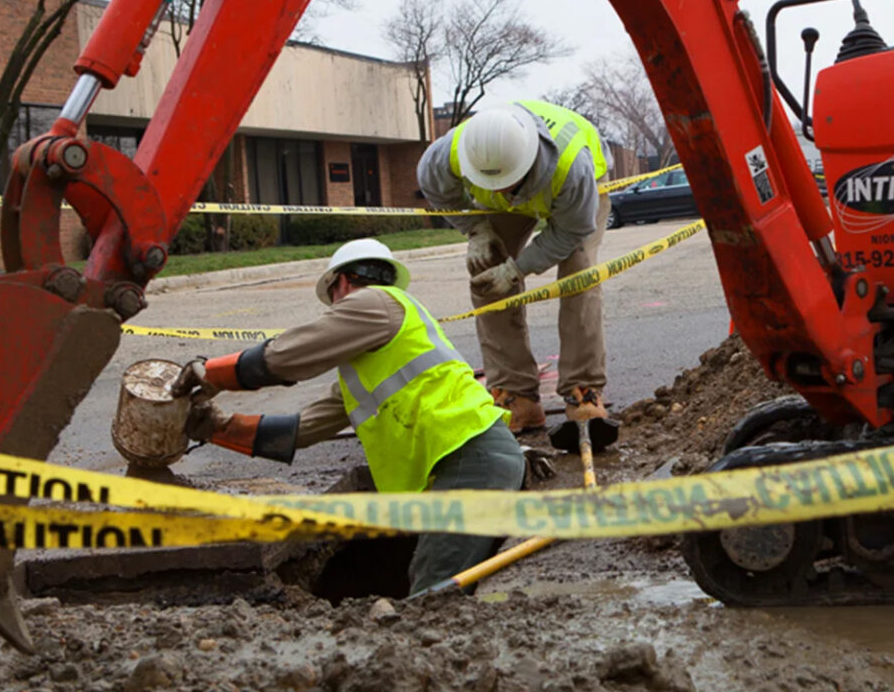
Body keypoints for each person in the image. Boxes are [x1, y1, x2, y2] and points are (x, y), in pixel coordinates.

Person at [172, 238, 525, 593]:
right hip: (476, 461)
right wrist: (216, 430)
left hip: (471, 458)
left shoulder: (374, 302)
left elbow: (289, 356)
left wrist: (210, 373)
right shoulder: (372, 362)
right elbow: (302, 430)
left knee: (432, 589)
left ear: (340, 284)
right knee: (437, 582)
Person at [418, 100, 614, 444]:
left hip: (575, 198)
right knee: (486, 274)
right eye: (488, 183)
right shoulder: (446, 156)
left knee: (579, 277)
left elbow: (570, 233)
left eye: (506, 184)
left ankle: (583, 390)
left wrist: (519, 268)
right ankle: (516, 394)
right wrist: (476, 230)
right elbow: (438, 193)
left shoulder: (573, 167)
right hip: (522, 188)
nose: (499, 193)